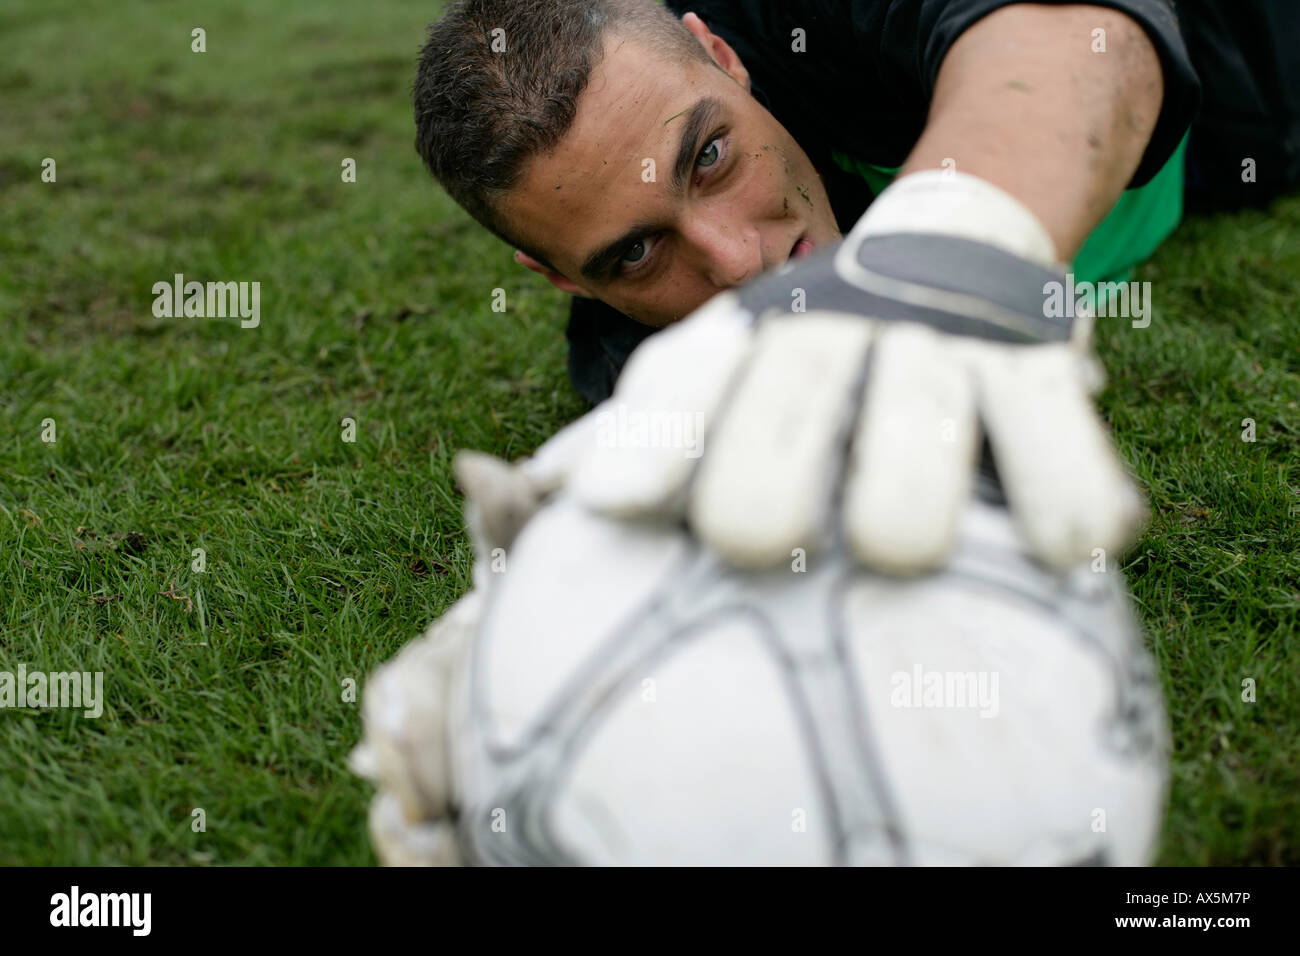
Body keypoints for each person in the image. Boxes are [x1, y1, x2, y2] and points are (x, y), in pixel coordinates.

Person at [413, 0, 1300, 404]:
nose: (735, 260)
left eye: (710, 158)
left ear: (720, 54)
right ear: (562, 279)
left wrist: (929, 273)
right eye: (637, 256)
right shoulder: (652, 378)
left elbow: (1072, 41)